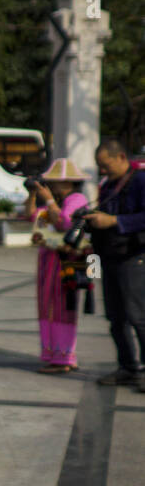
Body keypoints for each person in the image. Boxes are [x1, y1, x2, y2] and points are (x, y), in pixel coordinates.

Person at [86, 140, 145, 390]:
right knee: (115, 317)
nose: (103, 170)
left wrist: (114, 221)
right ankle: (127, 367)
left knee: (138, 316)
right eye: (100, 166)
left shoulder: (140, 181)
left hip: (134, 255)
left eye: (106, 165)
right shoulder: (109, 184)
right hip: (109, 254)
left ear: (121, 157)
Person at [24, 159, 90, 373]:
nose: (50, 185)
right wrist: (33, 194)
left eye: (54, 181)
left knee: (63, 307)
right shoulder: (55, 200)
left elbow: (65, 223)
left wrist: (50, 200)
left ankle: (64, 357)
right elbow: (33, 217)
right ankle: (54, 354)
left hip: (66, 261)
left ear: (67, 182)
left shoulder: (77, 199)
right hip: (48, 260)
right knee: (48, 306)